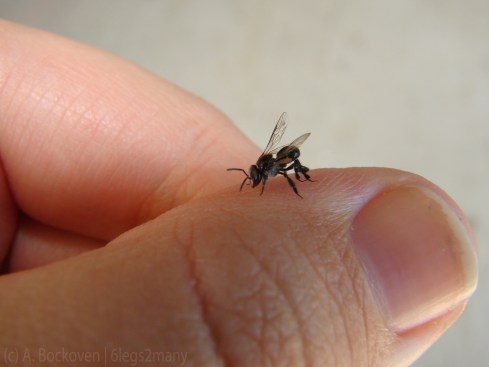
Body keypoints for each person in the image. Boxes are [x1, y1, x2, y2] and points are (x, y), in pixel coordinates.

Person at [0, 20, 478, 366]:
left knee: (295, 170)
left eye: (254, 173)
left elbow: (281, 153)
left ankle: (303, 182)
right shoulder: (259, 170)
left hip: (294, 167)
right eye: (254, 174)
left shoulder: (275, 164)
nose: (253, 176)